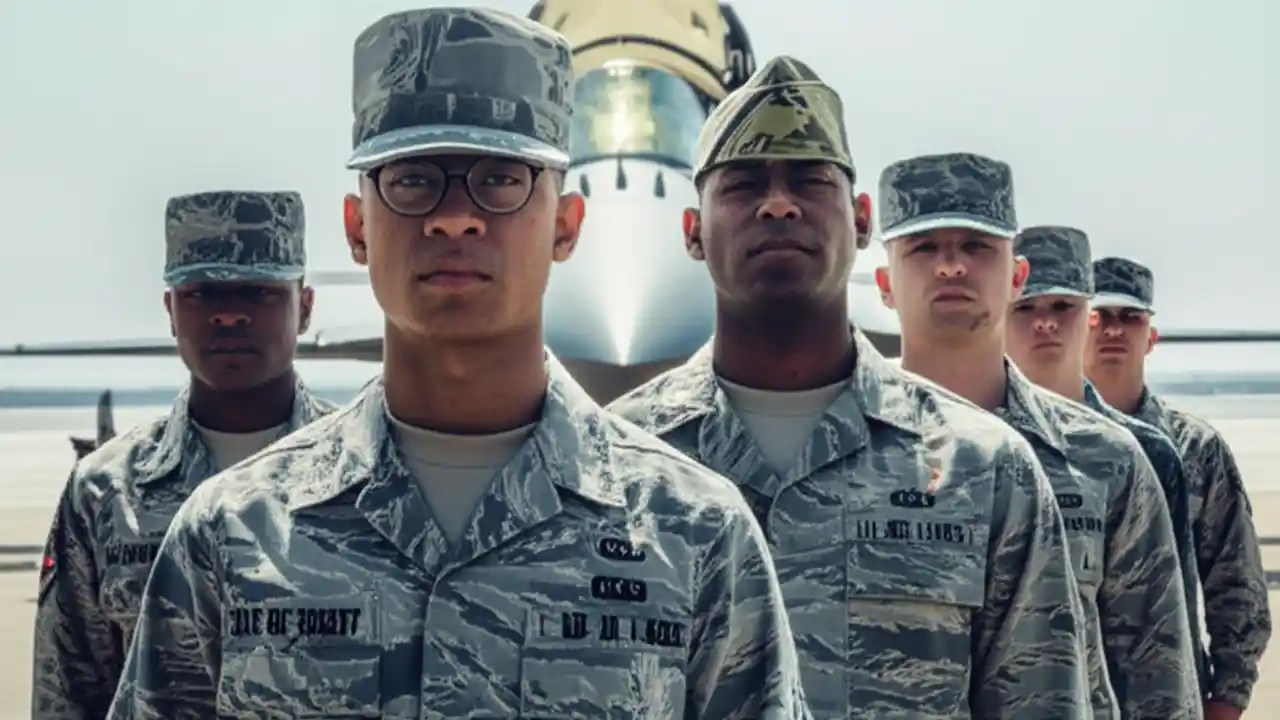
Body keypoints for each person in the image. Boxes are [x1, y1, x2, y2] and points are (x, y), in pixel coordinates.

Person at [105, 8, 809, 719]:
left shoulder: (698, 536)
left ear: (565, 224)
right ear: (356, 228)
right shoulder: (230, 534)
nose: (454, 218)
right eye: (413, 180)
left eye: (500, 179)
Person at [610, 58, 1089, 718]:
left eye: (809, 181)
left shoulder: (985, 469)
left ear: (862, 221)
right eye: (743, 185)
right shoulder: (609, 465)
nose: (778, 203)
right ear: (692, 231)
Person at [873, 157, 1199, 719]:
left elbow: (1158, 677)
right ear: (884, 284)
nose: (951, 266)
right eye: (924, 248)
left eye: (977, 247)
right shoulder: (833, 450)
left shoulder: (1108, 459)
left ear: (1017, 275)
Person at [31, 189, 336, 719]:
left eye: (258, 292)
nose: (229, 315)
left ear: (304, 307)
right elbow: (67, 695)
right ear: (171, 310)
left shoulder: (370, 474)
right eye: (202, 294)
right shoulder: (104, 495)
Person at [1006, 226, 1207, 693]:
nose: (1045, 323)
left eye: (1062, 307)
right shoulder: (961, 445)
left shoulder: (1140, 454)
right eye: (1026, 308)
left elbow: (1165, 633)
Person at [1087, 255, 1272, 719]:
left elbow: (1237, 584)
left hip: (1166, 698)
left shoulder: (1195, 449)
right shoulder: (1043, 444)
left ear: (1151, 337)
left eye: (1130, 318)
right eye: (1099, 316)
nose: (1114, 330)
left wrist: (1228, 699)